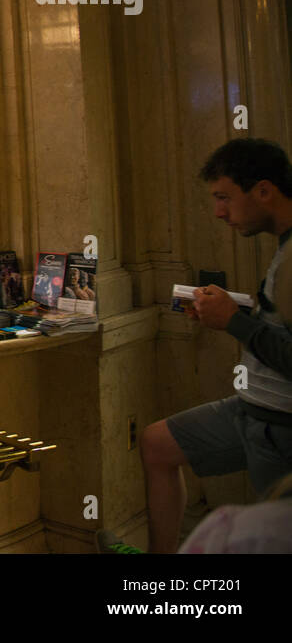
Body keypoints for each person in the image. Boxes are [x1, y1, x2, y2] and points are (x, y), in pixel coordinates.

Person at [101, 138, 292, 554]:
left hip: (278, 426)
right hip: (250, 408)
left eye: (225, 198)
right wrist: (235, 311)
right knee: (157, 443)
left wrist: (235, 322)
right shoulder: (282, 247)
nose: (219, 212)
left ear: (263, 190)